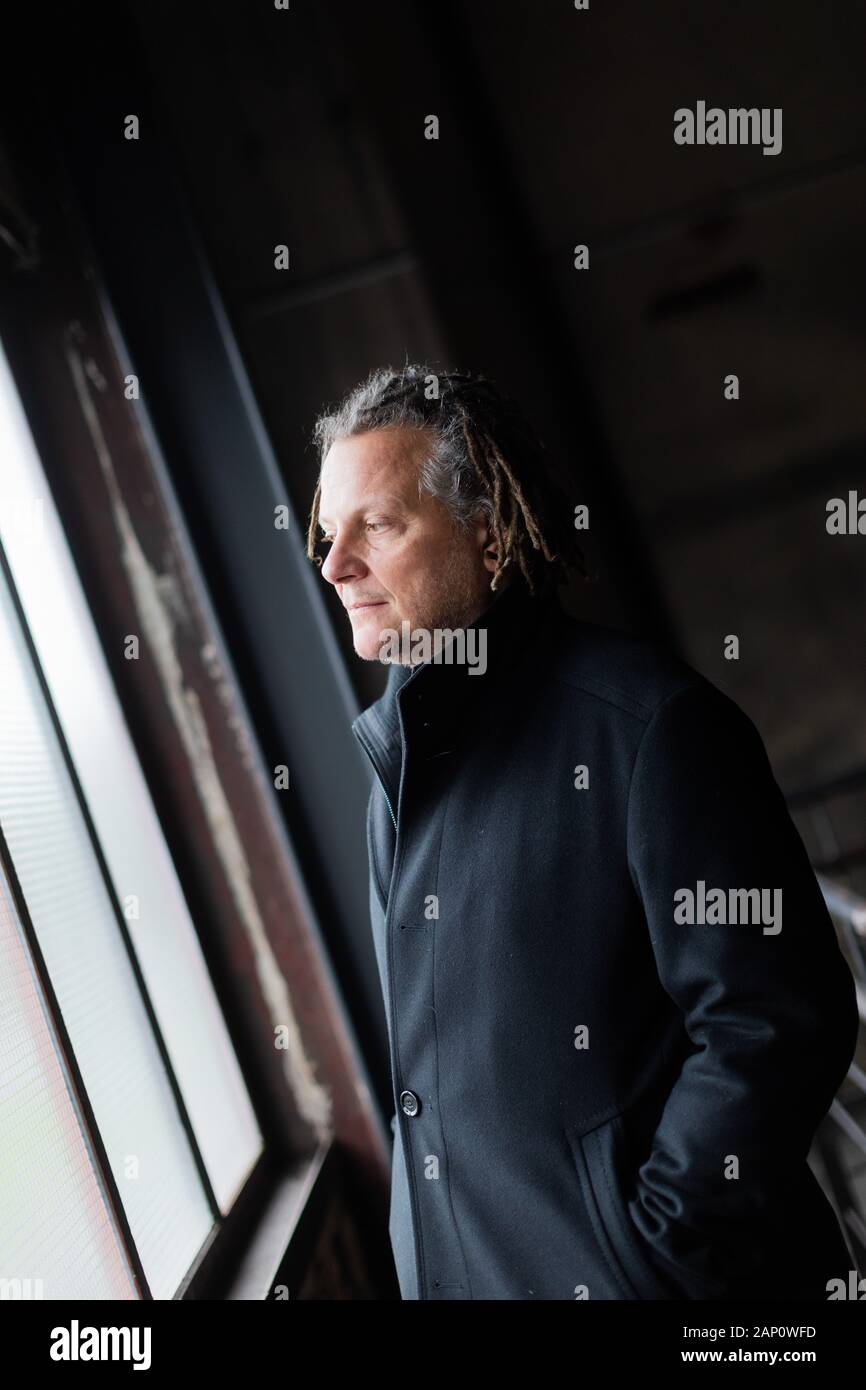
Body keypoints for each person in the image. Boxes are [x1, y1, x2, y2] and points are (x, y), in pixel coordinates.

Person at [306, 363, 859, 1301]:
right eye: (326, 534)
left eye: (379, 527)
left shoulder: (650, 728)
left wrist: (653, 1255)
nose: (334, 565)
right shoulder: (397, 776)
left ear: (487, 531)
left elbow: (774, 1016)